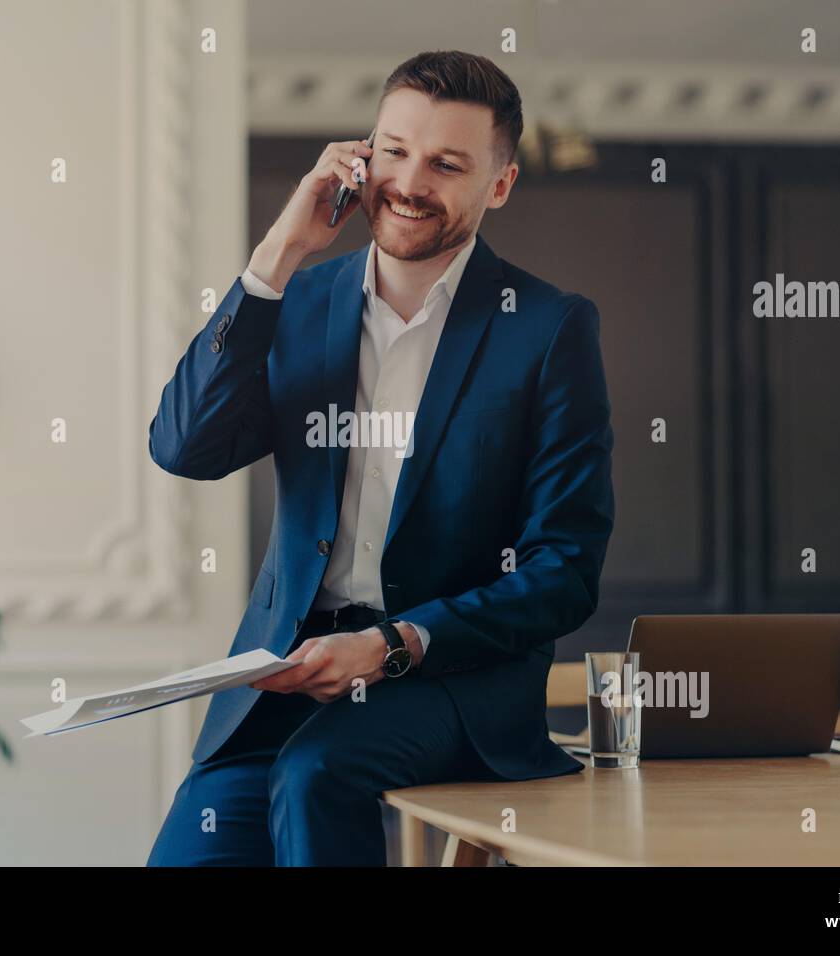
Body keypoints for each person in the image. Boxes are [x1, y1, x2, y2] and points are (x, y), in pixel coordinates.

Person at [147, 50, 614, 866]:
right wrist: (274, 259)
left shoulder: (547, 329)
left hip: (443, 681)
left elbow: (563, 571)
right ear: (362, 154)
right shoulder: (298, 303)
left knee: (317, 774)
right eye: (393, 151)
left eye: (445, 164)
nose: (408, 182)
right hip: (282, 678)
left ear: (497, 185)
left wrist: (394, 643)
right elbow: (184, 448)